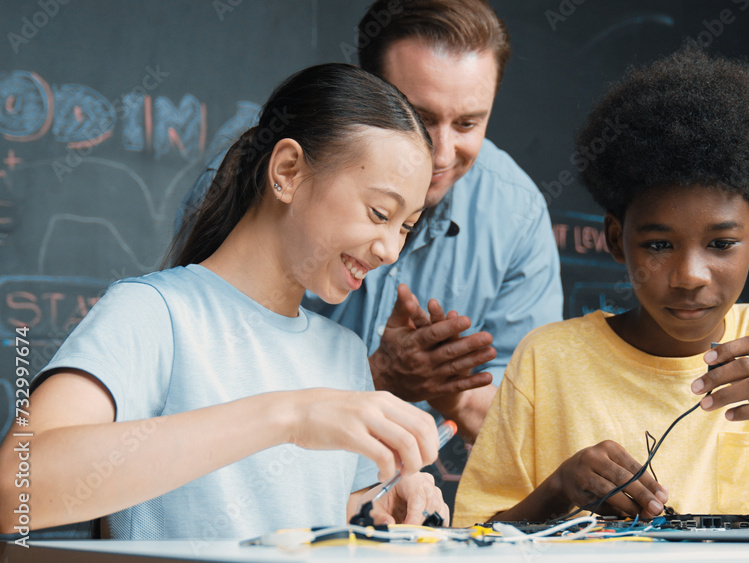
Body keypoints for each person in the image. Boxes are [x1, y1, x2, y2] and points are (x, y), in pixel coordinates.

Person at [453, 44, 749, 528]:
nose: (689, 276)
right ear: (618, 240)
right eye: (659, 245)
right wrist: (557, 490)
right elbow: (469, 538)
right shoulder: (547, 361)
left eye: (721, 244)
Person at [0, 63, 449, 539]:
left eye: (406, 226)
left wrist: (372, 506)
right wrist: (289, 416)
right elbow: (14, 491)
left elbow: (292, 514)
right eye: (380, 213)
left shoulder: (344, 353)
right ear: (288, 172)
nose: (391, 250)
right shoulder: (155, 313)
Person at [177, 0, 564, 505]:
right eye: (420, 118)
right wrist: (378, 376)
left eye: (468, 124)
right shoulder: (162, 303)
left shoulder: (515, 213)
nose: (442, 155)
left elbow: (529, 435)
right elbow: (196, 391)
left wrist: (446, 390)